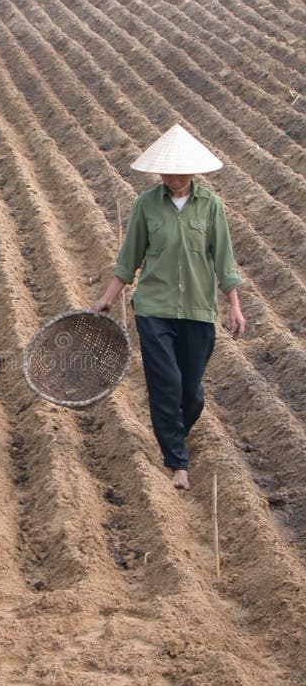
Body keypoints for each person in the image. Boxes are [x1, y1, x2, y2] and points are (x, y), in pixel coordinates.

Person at [92, 124, 245, 490]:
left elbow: (224, 261)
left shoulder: (211, 207)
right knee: (166, 384)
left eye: (180, 172)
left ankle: (173, 432)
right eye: (167, 172)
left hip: (198, 309)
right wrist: (108, 298)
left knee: (190, 392)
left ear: (192, 171)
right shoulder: (146, 205)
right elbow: (129, 259)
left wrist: (234, 307)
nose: (174, 178)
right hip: (154, 309)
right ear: (159, 172)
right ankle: (178, 462)